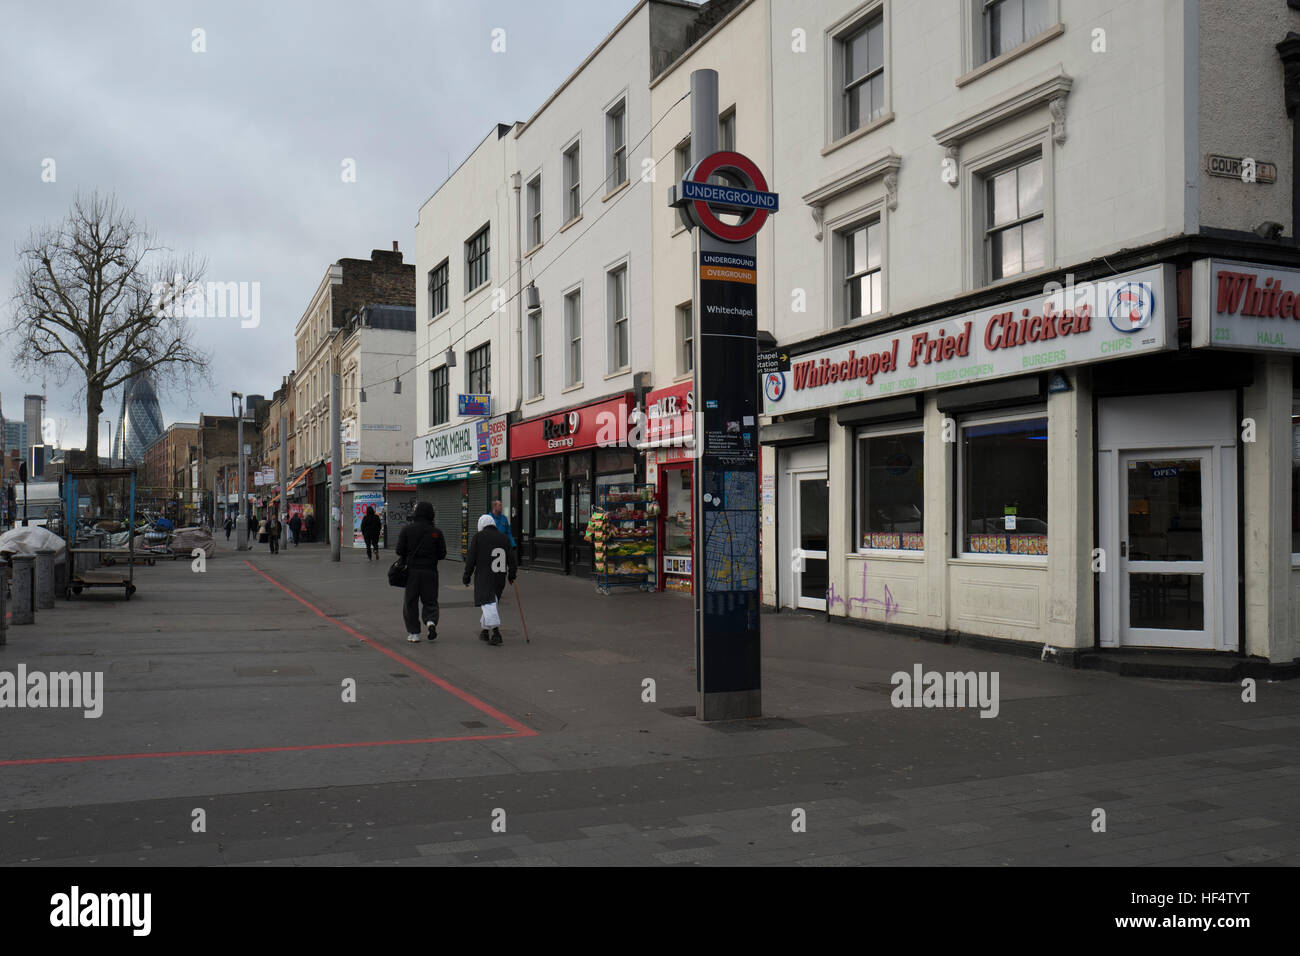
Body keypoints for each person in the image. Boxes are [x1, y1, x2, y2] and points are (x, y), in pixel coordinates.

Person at [396, 501, 447, 643]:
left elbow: (399, 550)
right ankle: (431, 622)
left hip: (412, 572)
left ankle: (414, 633)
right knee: (430, 600)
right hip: (430, 572)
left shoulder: (407, 530)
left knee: (410, 602)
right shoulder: (437, 532)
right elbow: (442, 554)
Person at [463, 513, 517, 646]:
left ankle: (496, 632)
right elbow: (512, 558)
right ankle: (485, 631)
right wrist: (512, 574)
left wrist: (467, 575)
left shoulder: (479, 537)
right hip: (500, 576)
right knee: (492, 603)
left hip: (484, 575)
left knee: (487, 602)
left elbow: (471, 558)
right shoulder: (504, 538)